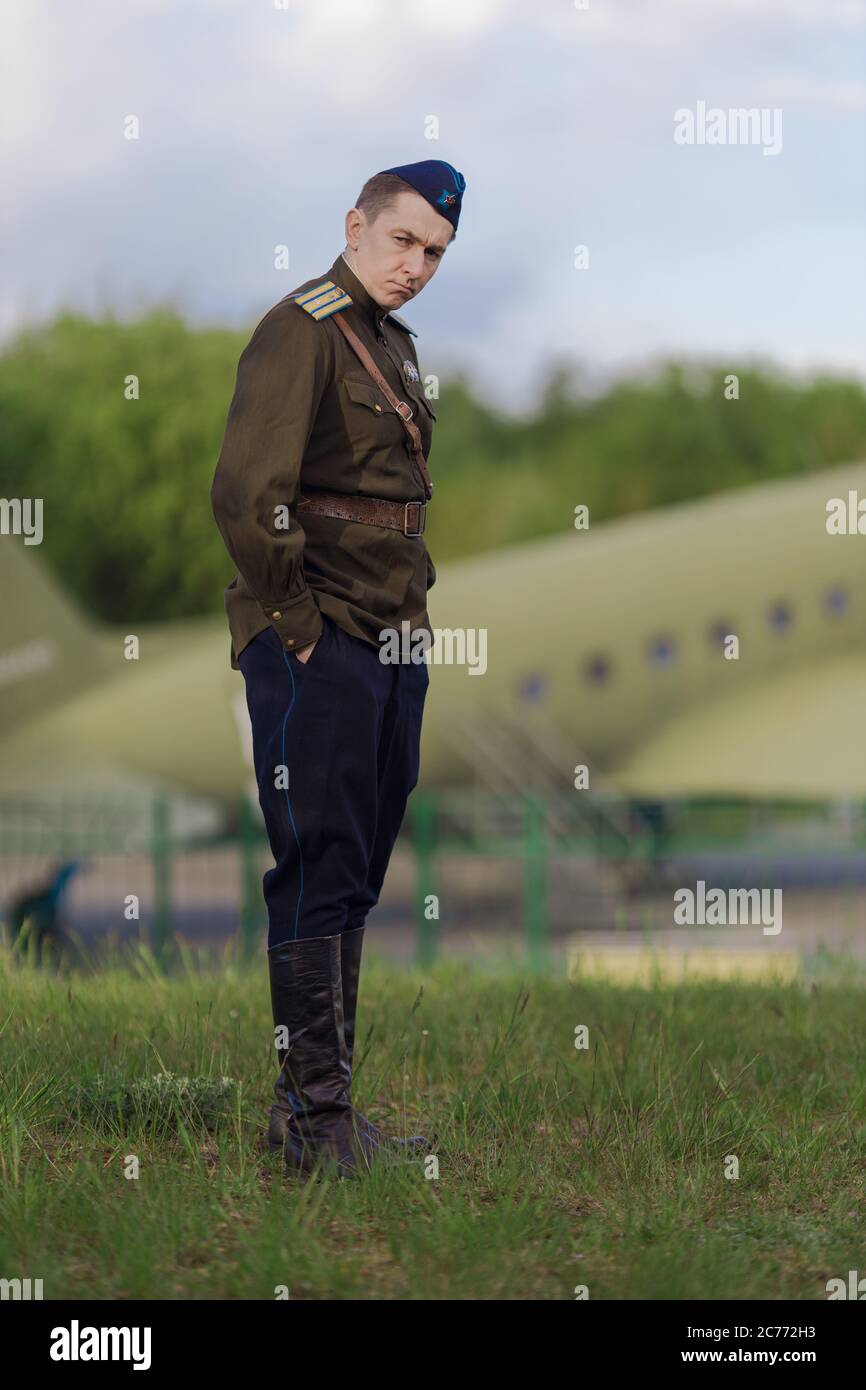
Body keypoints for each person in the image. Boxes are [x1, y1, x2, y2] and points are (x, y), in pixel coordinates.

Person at [210, 159, 466, 1178]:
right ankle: (317, 1126)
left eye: (434, 253)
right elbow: (245, 492)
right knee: (315, 866)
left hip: (392, 635)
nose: (415, 265)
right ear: (354, 225)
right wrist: (297, 624)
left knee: (353, 871)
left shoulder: (393, 346)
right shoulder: (302, 327)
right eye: (401, 241)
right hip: (318, 638)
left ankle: (312, 1111)